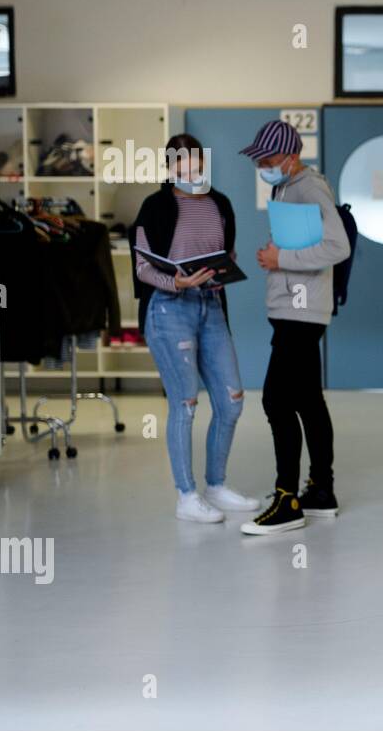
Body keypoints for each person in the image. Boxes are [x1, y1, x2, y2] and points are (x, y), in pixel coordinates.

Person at [132, 134, 259, 523]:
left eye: (196, 165)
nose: (190, 172)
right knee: (185, 403)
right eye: (181, 165)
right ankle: (186, 496)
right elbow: (141, 266)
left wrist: (220, 272)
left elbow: (228, 251)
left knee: (232, 400)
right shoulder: (154, 207)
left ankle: (216, 487)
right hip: (170, 310)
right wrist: (177, 284)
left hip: (211, 306)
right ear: (169, 168)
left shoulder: (220, 203)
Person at [238, 120, 350, 535]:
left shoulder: (309, 187)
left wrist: (279, 258)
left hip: (301, 314)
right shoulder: (285, 187)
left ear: (290, 156)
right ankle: (321, 491)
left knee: (275, 400)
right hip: (292, 309)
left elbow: (338, 246)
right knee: (307, 401)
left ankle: (286, 500)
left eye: (267, 158)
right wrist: (277, 255)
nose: (262, 165)